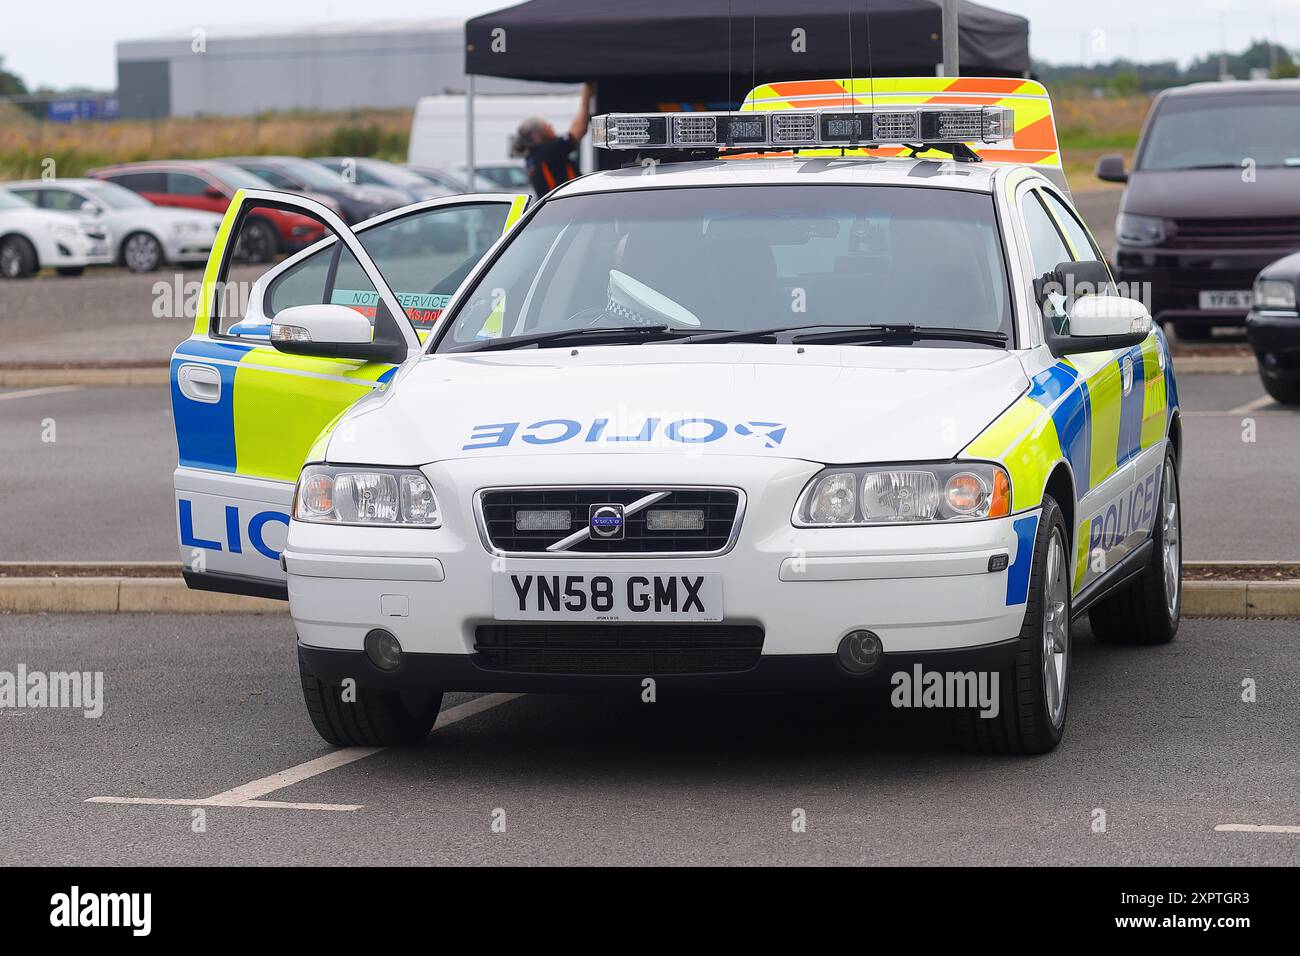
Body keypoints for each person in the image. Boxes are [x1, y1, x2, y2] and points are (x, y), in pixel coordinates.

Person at [513, 83, 593, 197]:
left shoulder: (534, 156)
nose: (551, 126)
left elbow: (571, 131)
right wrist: (587, 93)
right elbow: (578, 130)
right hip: (568, 204)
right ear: (537, 136)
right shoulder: (547, 152)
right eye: (547, 126)